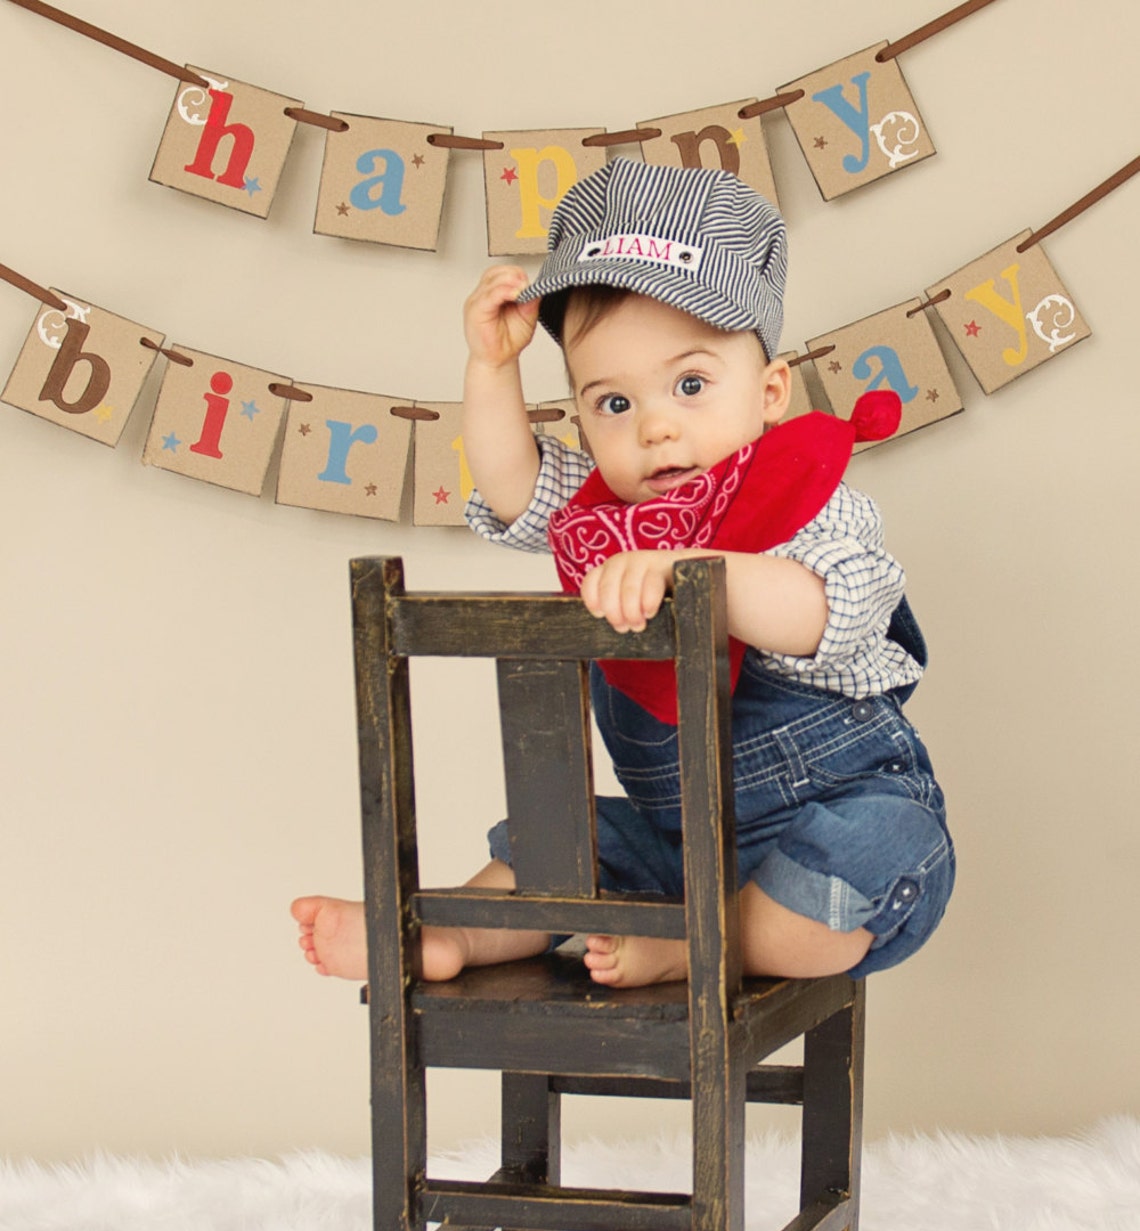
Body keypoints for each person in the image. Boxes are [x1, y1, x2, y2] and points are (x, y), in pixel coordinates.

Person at [293, 158, 953, 989]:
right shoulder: (612, 517)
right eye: (614, 403)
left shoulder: (810, 502)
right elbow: (515, 483)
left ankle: (699, 950)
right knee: (556, 841)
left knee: (869, 857)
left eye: (690, 384)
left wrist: (696, 572)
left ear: (771, 391)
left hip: (833, 816)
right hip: (676, 845)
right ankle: (447, 932)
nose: (655, 429)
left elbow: (831, 611)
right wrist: (492, 367)